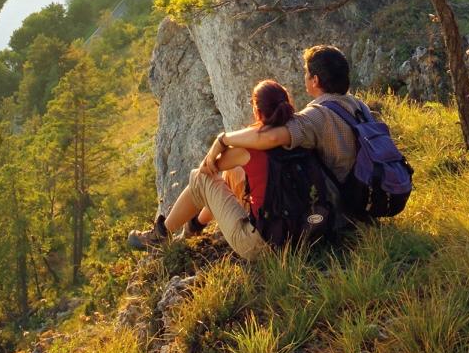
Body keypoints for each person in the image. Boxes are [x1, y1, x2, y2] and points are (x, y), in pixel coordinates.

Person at [127, 44, 365, 258]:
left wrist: (223, 140)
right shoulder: (357, 106)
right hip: (328, 213)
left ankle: (161, 234)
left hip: (269, 243)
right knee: (232, 176)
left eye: (306, 74)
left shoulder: (309, 120)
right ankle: (193, 229)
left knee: (199, 178)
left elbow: (210, 171)